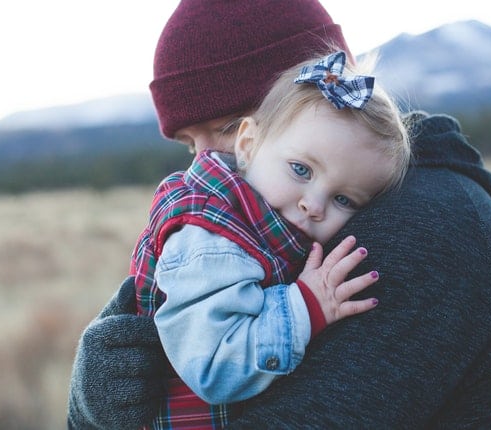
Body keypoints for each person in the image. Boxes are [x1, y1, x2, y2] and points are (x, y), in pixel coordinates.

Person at [67, 0, 491, 429]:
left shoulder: (422, 230)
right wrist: (91, 401)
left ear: (320, 92)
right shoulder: (278, 223)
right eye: (191, 143)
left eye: (227, 128)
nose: (203, 164)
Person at [130, 50, 410, 428]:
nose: (313, 205)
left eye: (343, 199)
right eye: (300, 170)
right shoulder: (211, 239)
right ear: (248, 144)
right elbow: (213, 366)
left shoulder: (262, 221)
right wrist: (305, 305)